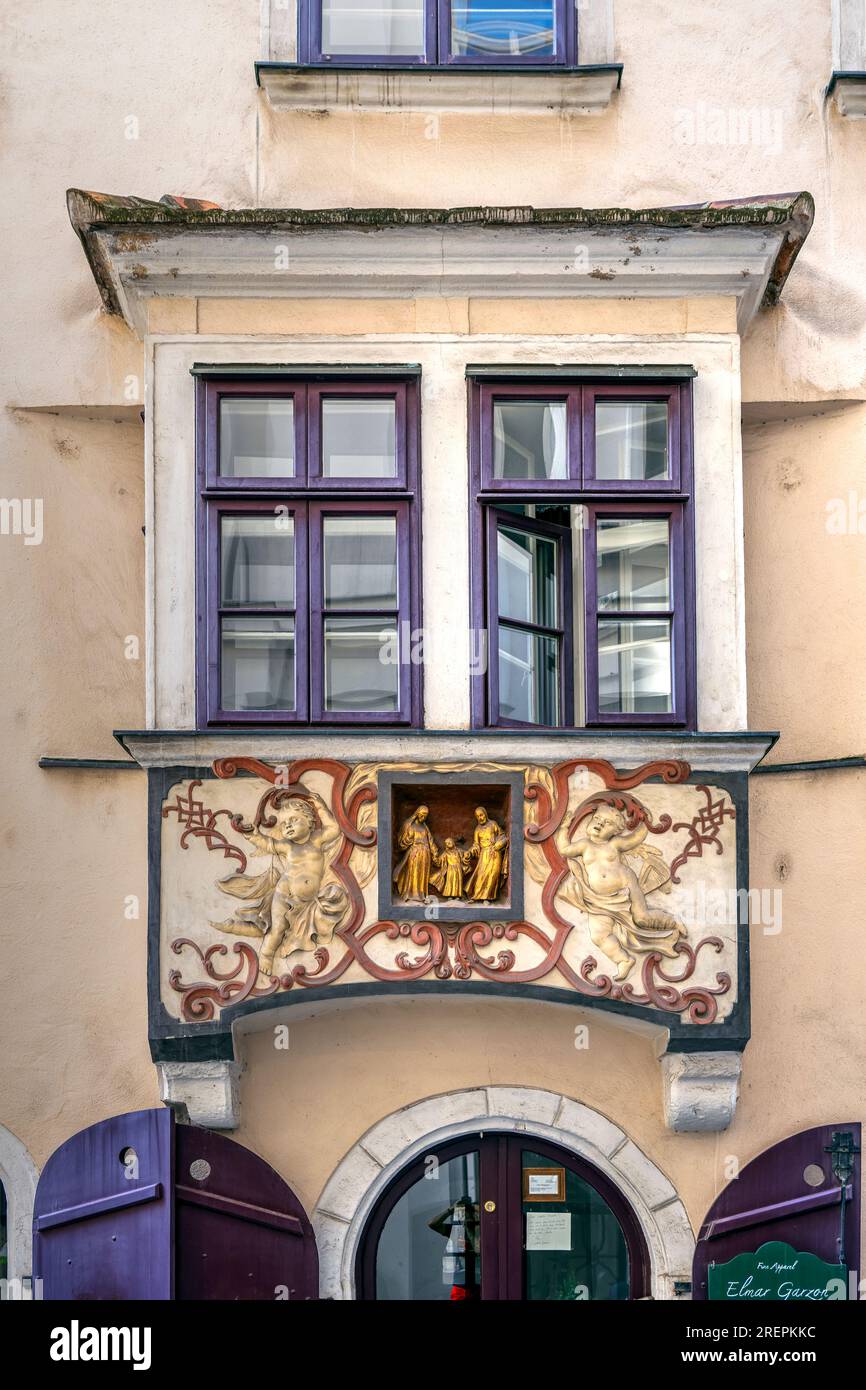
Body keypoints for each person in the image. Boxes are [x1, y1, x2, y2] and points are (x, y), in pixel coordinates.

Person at [558, 805, 684, 982]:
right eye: (597, 819)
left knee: (642, 917)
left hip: (626, 884)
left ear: (616, 831)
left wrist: (644, 820)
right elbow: (564, 850)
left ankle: (673, 922)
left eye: (607, 823)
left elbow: (634, 839)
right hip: (599, 900)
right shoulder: (584, 845)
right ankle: (624, 960)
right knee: (598, 935)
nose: (600, 824)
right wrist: (564, 827)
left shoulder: (614, 843)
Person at [463, 806, 508, 902]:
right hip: (484, 853)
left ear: (485, 814)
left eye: (481, 815)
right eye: (478, 816)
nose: (480, 818)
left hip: (495, 853)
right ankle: (476, 896)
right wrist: (470, 852)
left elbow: (503, 835)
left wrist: (498, 844)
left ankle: (487, 898)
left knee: (492, 875)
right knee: (481, 875)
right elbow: (476, 844)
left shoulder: (493, 824)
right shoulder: (477, 829)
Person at [393, 805, 437, 901]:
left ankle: (421, 895)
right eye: (422, 815)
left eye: (425, 816)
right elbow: (403, 841)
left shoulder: (425, 827)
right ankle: (411, 894)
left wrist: (434, 852)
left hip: (425, 854)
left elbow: (430, 841)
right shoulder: (410, 826)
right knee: (414, 872)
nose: (423, 817)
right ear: (417, 814)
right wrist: (409, 839)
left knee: (423, 874)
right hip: (415, 853)